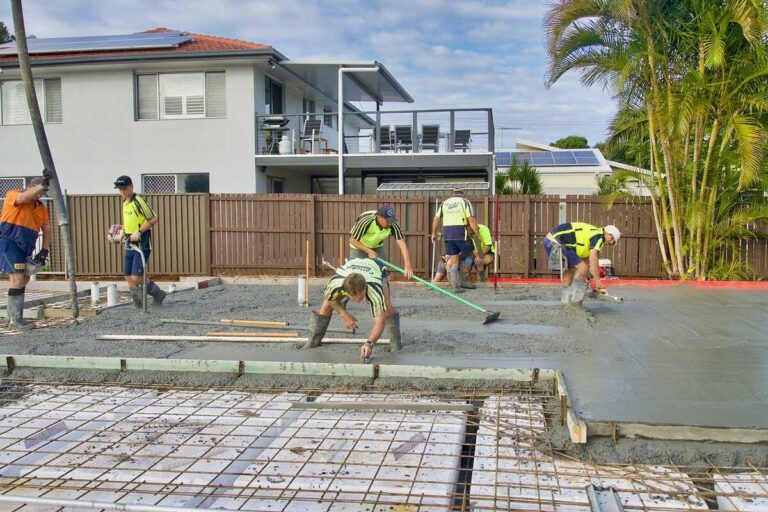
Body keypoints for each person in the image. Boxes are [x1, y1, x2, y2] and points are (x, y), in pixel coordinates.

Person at [300, 257, 400, 361]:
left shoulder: (375, 290)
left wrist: (369, 343)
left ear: (365, 288)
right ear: (345, 290)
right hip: (352, 265)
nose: (356, 300)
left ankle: (395, 342)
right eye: (352, 296)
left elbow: (380, 321)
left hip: (377, 267)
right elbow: (330, 299)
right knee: (325, 306)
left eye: (359, 296)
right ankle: (313, 341)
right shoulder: (335, 284)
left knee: (387, 307)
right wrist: (343, 314)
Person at [0, 175, 51, 330]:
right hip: (10, 242)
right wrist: (41, 185)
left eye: (41, 193)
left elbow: (46, 228)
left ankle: (13, 318)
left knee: (25, 278)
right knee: (17, 278)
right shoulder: (13, 194)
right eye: (38, 192)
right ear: (31, 187)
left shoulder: (41, 207)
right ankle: (15, 321)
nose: (39, 196)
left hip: (26, 246)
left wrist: (44, 250)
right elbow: (22, 198)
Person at [114, 175, 165, 307]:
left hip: (142, 243)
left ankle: (158, 293)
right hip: (129, 242)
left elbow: (153, 219)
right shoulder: (125, 203)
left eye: (124, 189)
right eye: (120, 189)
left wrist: (139, 231)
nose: (122, 192)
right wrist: (122, 232)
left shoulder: (138, 201)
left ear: (131, 186)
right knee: (127, 275)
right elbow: (132, 222)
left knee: (136, 277)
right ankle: (139, 305)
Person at [544, 222, 621, 304]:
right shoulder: (599, 236)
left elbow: (589, 263)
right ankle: (575, 304)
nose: (611, 242)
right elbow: (593, 258)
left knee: (571, 271)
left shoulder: (592, 234)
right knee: (582, 268)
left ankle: (566, 302)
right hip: (557, 241)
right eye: (612, 238)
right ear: (607, 233)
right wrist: (598, 282)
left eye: (614, 242)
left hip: (551, 240)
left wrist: (592, 284)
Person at [431, 188, 480, 292]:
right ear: (462, 194)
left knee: (454, 259)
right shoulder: (465, 202)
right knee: (471, 254)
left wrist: (433, 233)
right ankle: (464, 279)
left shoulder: (444, 203)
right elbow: (471, 220)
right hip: (460, 233)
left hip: (448, 234)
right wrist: (477, 235)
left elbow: (436, 219)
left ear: (452, 194)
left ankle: (455, 286)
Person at [349, 205, 413, 279]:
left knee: (382, 273)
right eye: (388, 221)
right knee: (357, 275)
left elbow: (402, 244)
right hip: (358, 246)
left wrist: (407, 265)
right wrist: (369, 251)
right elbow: (352, 240)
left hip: (376, 246)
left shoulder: (393, 225)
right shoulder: (366, 222)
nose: (390, 223)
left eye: (391, 220)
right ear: (380, 218)